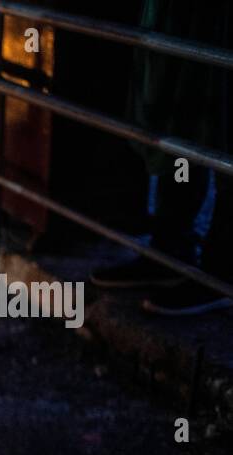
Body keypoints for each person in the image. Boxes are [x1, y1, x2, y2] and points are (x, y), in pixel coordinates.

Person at [90, 0, 231, 316]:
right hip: (179, 16)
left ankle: (221, 267)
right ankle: (171, 245)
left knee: (220, 128)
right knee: (181, 126)